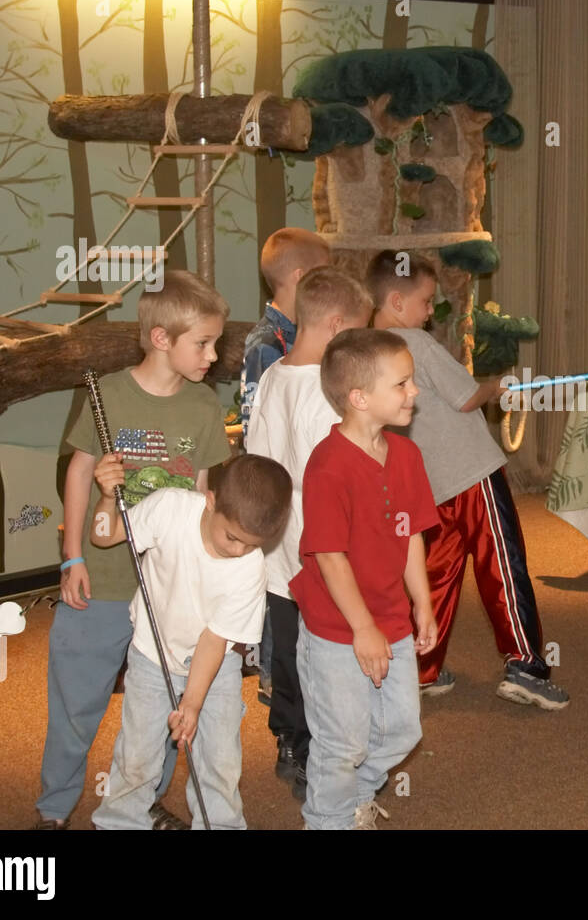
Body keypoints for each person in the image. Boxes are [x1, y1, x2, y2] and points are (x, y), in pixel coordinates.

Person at [35, 271, 232, 830]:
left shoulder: (203, 406)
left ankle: (144, 797)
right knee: (77, 699)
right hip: (101, 576)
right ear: (162, 339)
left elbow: (198, 494)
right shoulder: (109, 395)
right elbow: (79, 474)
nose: (214, 356)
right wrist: (72, 555)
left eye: (215, 343)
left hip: (167, 587)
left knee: (163, 700)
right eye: (203, 343)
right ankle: (53, 811)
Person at [369, 250, 568, 710]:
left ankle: (421, 668)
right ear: (397, 302)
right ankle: (526, 664)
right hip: (472, 473)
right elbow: (463, 397)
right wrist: (498, 386)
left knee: (435, 573)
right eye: (424, 301)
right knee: (502, 564)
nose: (428, 311)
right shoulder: (413, 344)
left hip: (428, 487)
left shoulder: (366, 347)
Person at [89, 453, 291, 829]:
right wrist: (105, 497)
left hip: (217, 669)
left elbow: (215, 640)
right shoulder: (170, 509)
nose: (237, 550)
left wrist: (192, 702)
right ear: (211, 501)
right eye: (231, 537)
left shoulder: (250, 566)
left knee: (218, 763)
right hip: (152, 657)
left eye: (250, 544)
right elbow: (103, 535)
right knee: (137, 758)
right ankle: (118, 823)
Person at [291, 328, 440, 829]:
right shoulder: (328, 466)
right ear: (359, 398)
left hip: (392, 620)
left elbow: (412, 534)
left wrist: (422, 602)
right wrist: (363, 629)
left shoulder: (407, 455)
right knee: (342, 742)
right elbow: (330, 556)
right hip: (337, 629)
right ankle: (327, 821)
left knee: (401, 730)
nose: (413, 391)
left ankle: (350, 799)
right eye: (401, 384)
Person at [245, 266, 374, 801]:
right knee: (321, 653)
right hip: (319, 554)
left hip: (282, 553)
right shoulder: (325, 392)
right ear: (336, 325)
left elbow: (256, 459)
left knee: (291, 654)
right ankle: (318, 748)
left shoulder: (273, 375)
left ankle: (294, 743)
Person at [240, 227, 331, 707]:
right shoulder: (268, 344)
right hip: (275, 484)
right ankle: (277, 681)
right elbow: (258, 421)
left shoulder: (300, 338)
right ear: (301, 277)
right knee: (280, 582)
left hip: (302, 485)